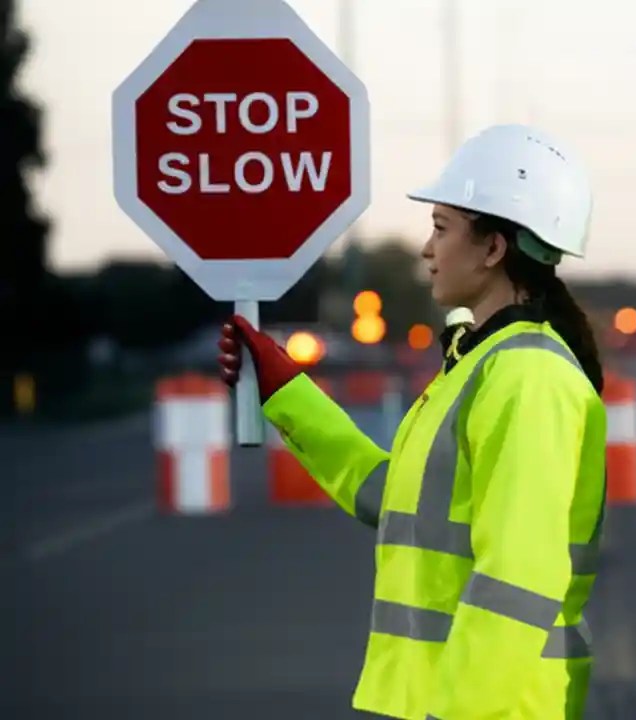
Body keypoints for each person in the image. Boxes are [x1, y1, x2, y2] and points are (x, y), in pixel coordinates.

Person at [216, 124, 608, 720]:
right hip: (442, 698)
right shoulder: (478, 363)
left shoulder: (529, 379)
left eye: (441, 228)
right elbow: (393, 495)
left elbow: (518, 577)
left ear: (494, 247)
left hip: (490, 708)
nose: (427, 249)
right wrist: (286, 390)